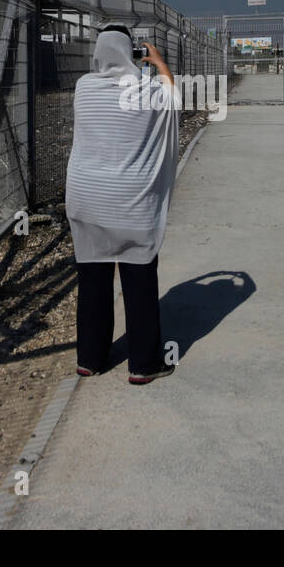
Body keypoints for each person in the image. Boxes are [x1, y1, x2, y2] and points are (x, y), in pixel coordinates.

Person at [65, 25, 179, 384]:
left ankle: (90, 358)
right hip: (131, 202)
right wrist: (158, 62)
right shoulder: (147, 89)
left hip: (86, 197)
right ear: (131, 52)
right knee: (139, 277)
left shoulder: (83, 88)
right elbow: (173, 99)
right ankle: (143, 363)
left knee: (93, 277)